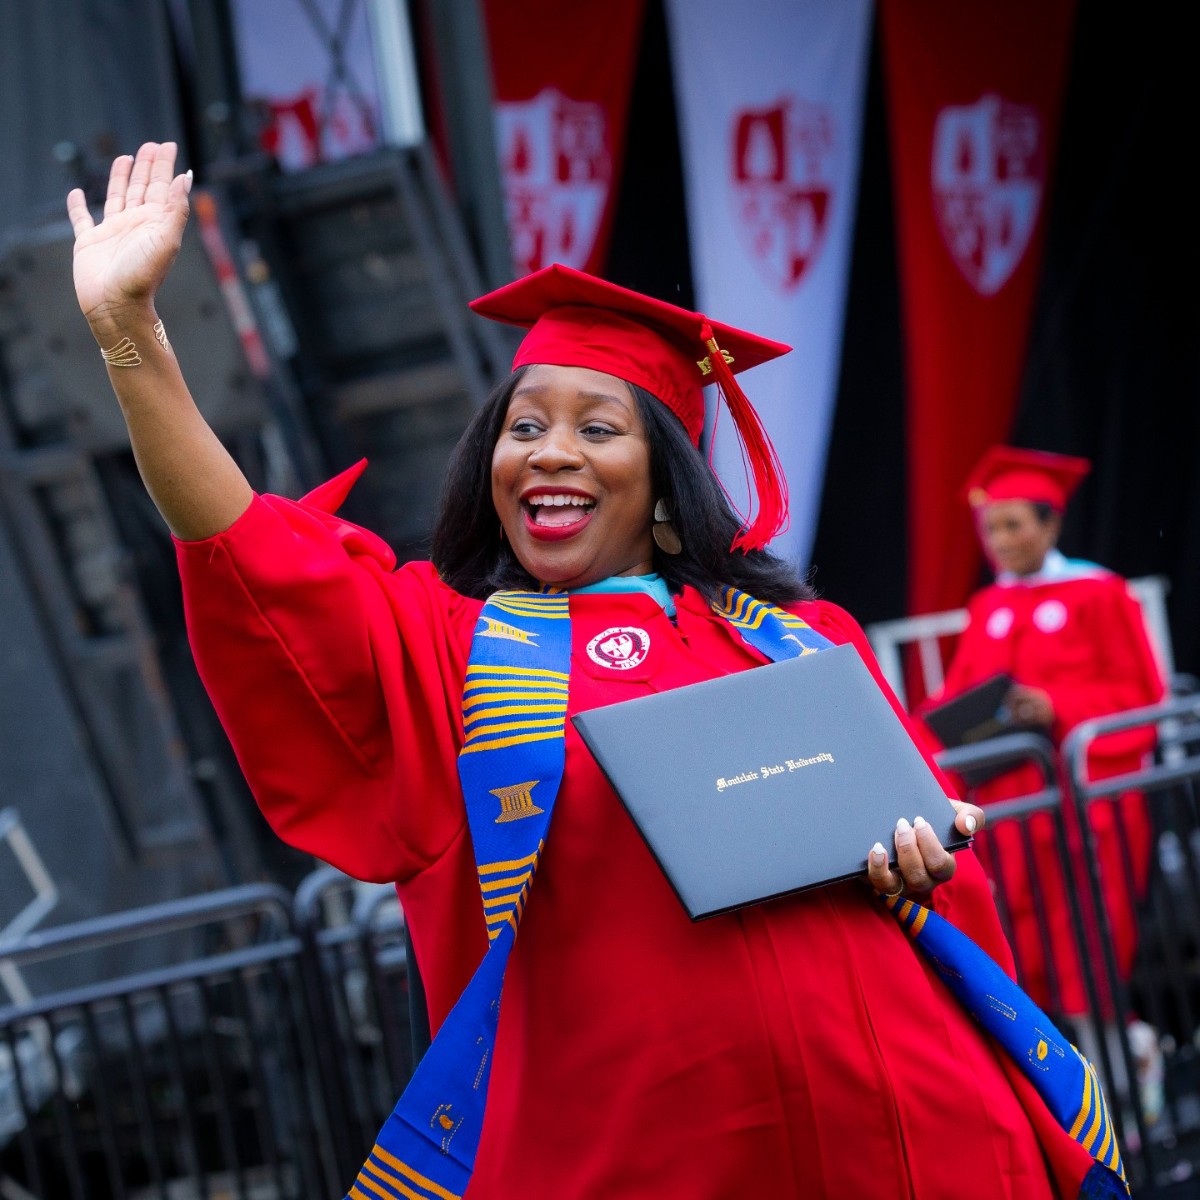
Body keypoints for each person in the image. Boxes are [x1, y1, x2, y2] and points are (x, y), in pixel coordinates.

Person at [70, 143, 1116, 1200]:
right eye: (524, 426)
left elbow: (937, 852)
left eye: (597, 427)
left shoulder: (804, 638)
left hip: (911, 1136)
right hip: (636, 1162)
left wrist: (925, 852)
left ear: (664, 481)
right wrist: (130, 337)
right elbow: (255, 557)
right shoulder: (450, 646)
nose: (551, 451)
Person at [920, 447, 1165, 1092]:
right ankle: (1064, 1094)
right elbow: (959, 701)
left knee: (1089, 941)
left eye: (1014, 525)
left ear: (1051, 524)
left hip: (1085, 801)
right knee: (1020, 942)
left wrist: (1057, 707)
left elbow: (1141, 693)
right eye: (990, 529)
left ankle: (1124, 1084)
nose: (1001, 542)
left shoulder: (1098, 593)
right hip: (1011, 806)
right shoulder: (988, 606)